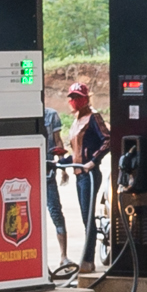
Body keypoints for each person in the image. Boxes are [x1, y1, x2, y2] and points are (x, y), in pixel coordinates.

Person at [61, 82, 107, 268]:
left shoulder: (93, 118)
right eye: (71, 97)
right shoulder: (76, 121)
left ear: (86, 99)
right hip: (80, 174)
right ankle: (87, 259)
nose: (73, 101)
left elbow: (107, 140)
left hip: (89, 174)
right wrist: (60, 162)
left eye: (77, 97)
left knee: (88, 218)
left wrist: (93, 161)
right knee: (84, 217)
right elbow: (77, 153)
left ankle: (88, 260)